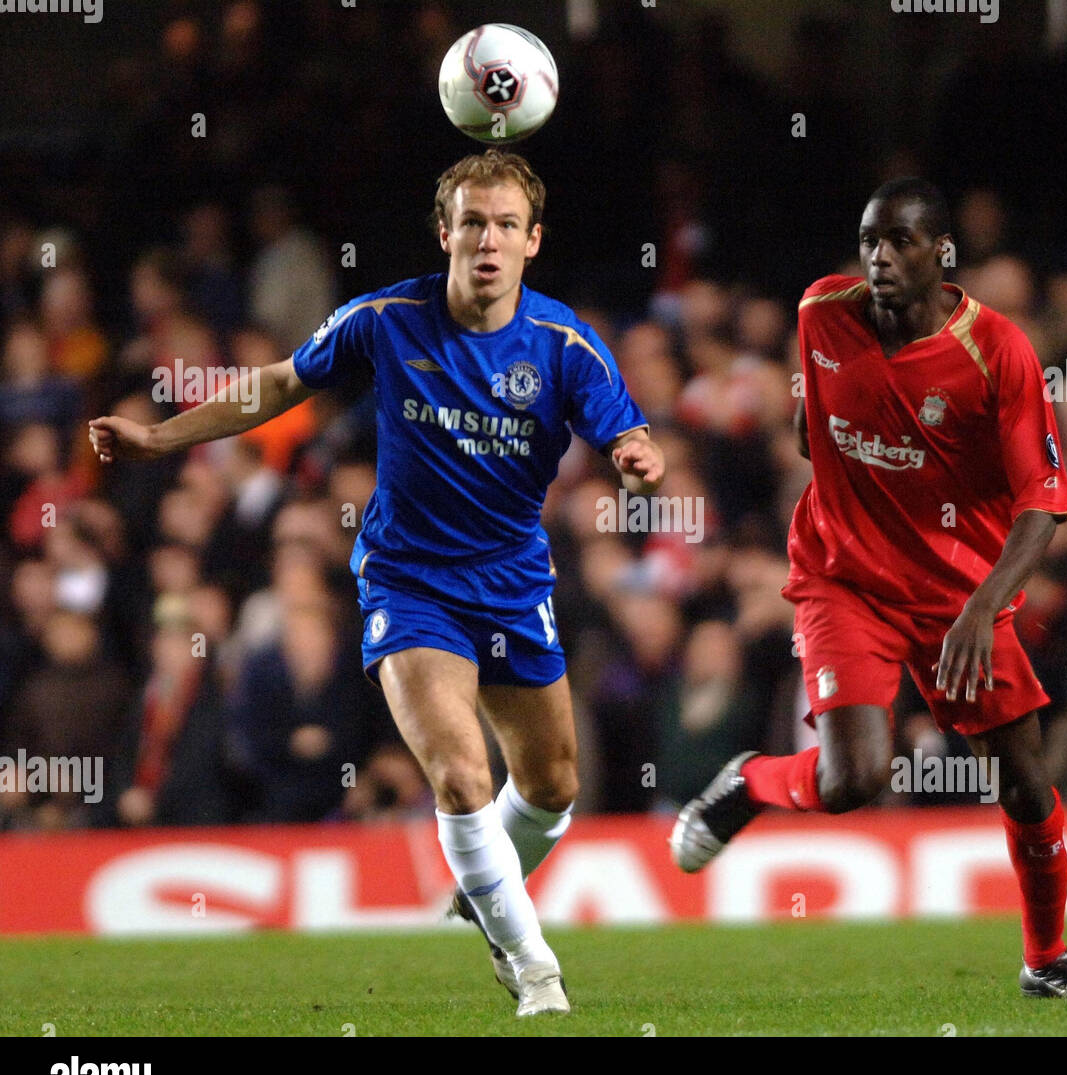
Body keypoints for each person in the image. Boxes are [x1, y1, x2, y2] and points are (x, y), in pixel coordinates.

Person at [90, 150, 665, 1018]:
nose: (488, 239)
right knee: (464, 781)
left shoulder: (563, 344)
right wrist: (162, 439)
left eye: (506, 225)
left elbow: (627, 432)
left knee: (549, 788)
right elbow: (281, 382)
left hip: (512, 583)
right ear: (445, 233)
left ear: (532, 242)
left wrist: (636, 457)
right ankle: (533, 968)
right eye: (472, 222)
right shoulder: (386, 317)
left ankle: (486, 889)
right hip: (409, 582)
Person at [670, 178, 1067, 1001]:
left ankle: (1046, 960)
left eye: (901, 242)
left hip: (959, 596)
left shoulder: (999, 352)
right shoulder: (821, 314)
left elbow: (1046, 501)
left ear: (942, 253)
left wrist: (983, 607)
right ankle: (751, 781)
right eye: (870, 240)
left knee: (1023, 781)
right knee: (852, 782)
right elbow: (821, 435)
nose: (880, 257)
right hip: (844, 579)